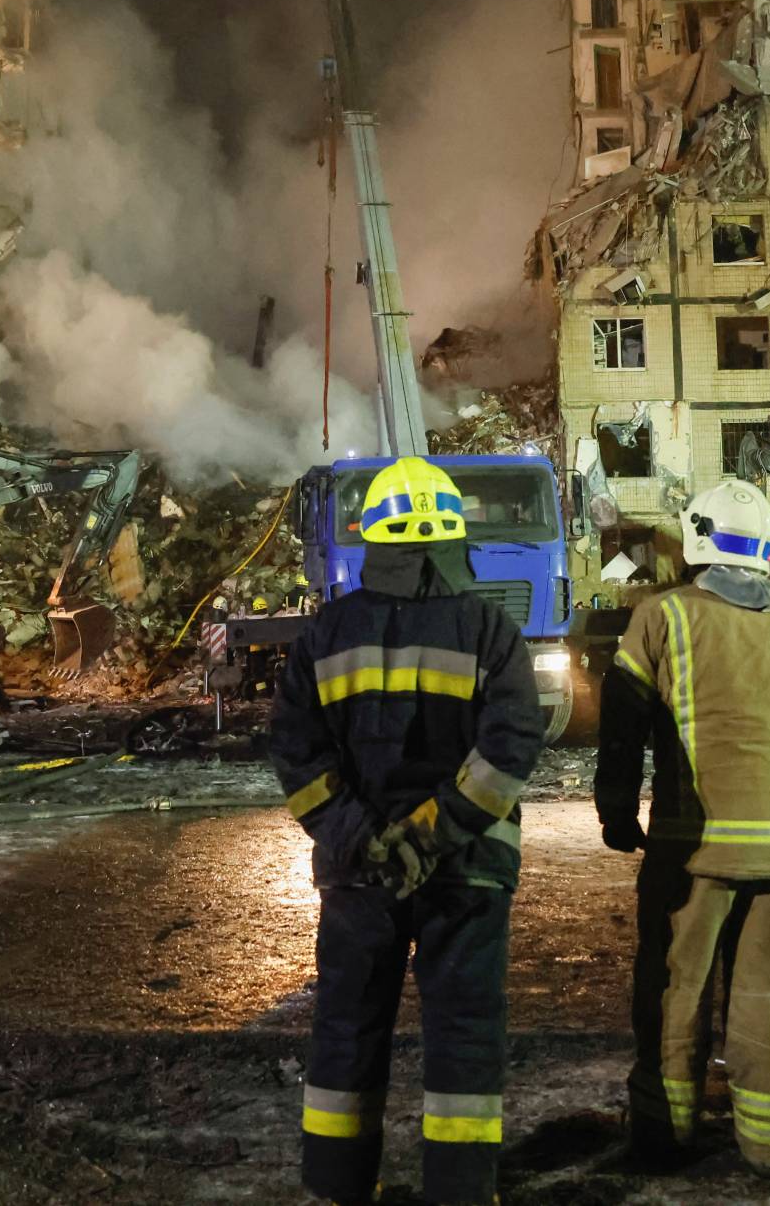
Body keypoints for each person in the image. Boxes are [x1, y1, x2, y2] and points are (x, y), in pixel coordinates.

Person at [270, 456, 544, 1206]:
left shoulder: (326, 631)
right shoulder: (490, 627)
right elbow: (513, 742)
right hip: (468, 872)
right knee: (462, 1032)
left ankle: (338, 1185)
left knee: (348, 1025)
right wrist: (432, 833)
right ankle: (460, 1190)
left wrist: (363, 836)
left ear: (372, 537)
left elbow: (297, 750)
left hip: (359, 876)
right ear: (457, 535)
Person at [596, 479, 770, 1177]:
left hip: (691, 849)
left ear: (698, 540)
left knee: (677, 989)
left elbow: (622, 724)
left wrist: (616, 810)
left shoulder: (663, 616)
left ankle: (667, 1133)